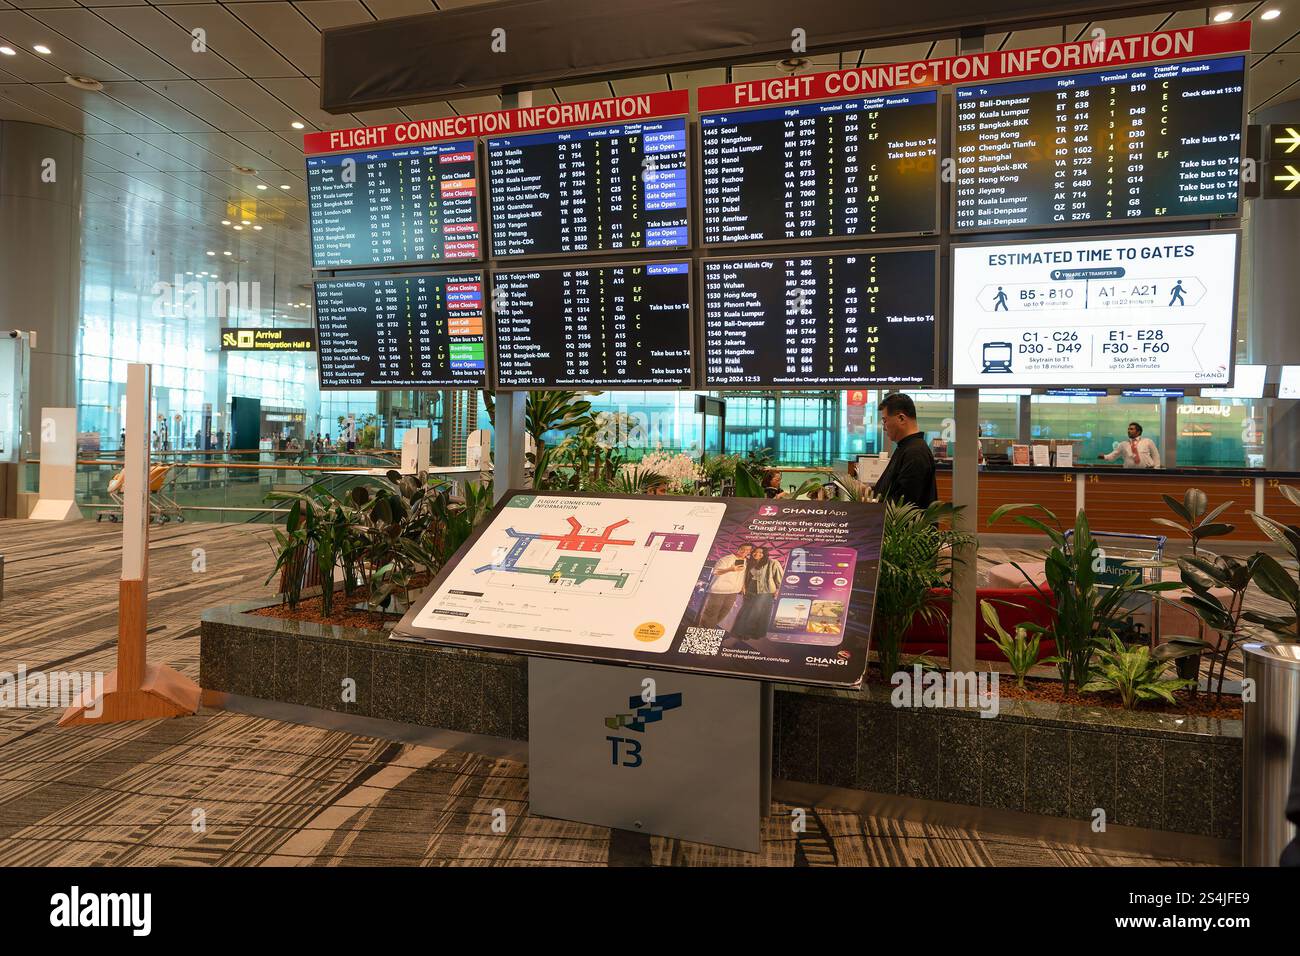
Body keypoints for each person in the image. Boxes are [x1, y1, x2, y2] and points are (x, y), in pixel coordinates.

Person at [873, 393, 937, 508]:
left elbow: (904, 503)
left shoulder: (915, 453)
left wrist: (871, 505)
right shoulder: (905, 447)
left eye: (885, 421)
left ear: (901, 418)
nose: (884, 427)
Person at [732, 546, 784, 642]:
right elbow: (744, 575)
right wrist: (743, 586)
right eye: (755, 552)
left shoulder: (773, 563)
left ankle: (748, 633)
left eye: (760, 552)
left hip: (765, 590)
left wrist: (778, 590)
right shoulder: (749, 563)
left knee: (758, 612)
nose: (757, 554)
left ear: (765, 554)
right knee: (746, 610)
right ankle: (742, 632)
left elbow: (780, 578)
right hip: (750, 588)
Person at [696, 543, 752, 630]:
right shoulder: (726, 559)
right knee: (710, 614)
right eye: (743, 549)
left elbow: (742, 575)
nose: (745, 551)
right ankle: (704, 632)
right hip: (719, 591)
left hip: (733, 592)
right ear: (738, 549)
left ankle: (708, 628)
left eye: (748, 550)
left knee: (723, 613)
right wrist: (730, 569)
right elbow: (716, 572)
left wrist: (743, 586)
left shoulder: (746, 561)